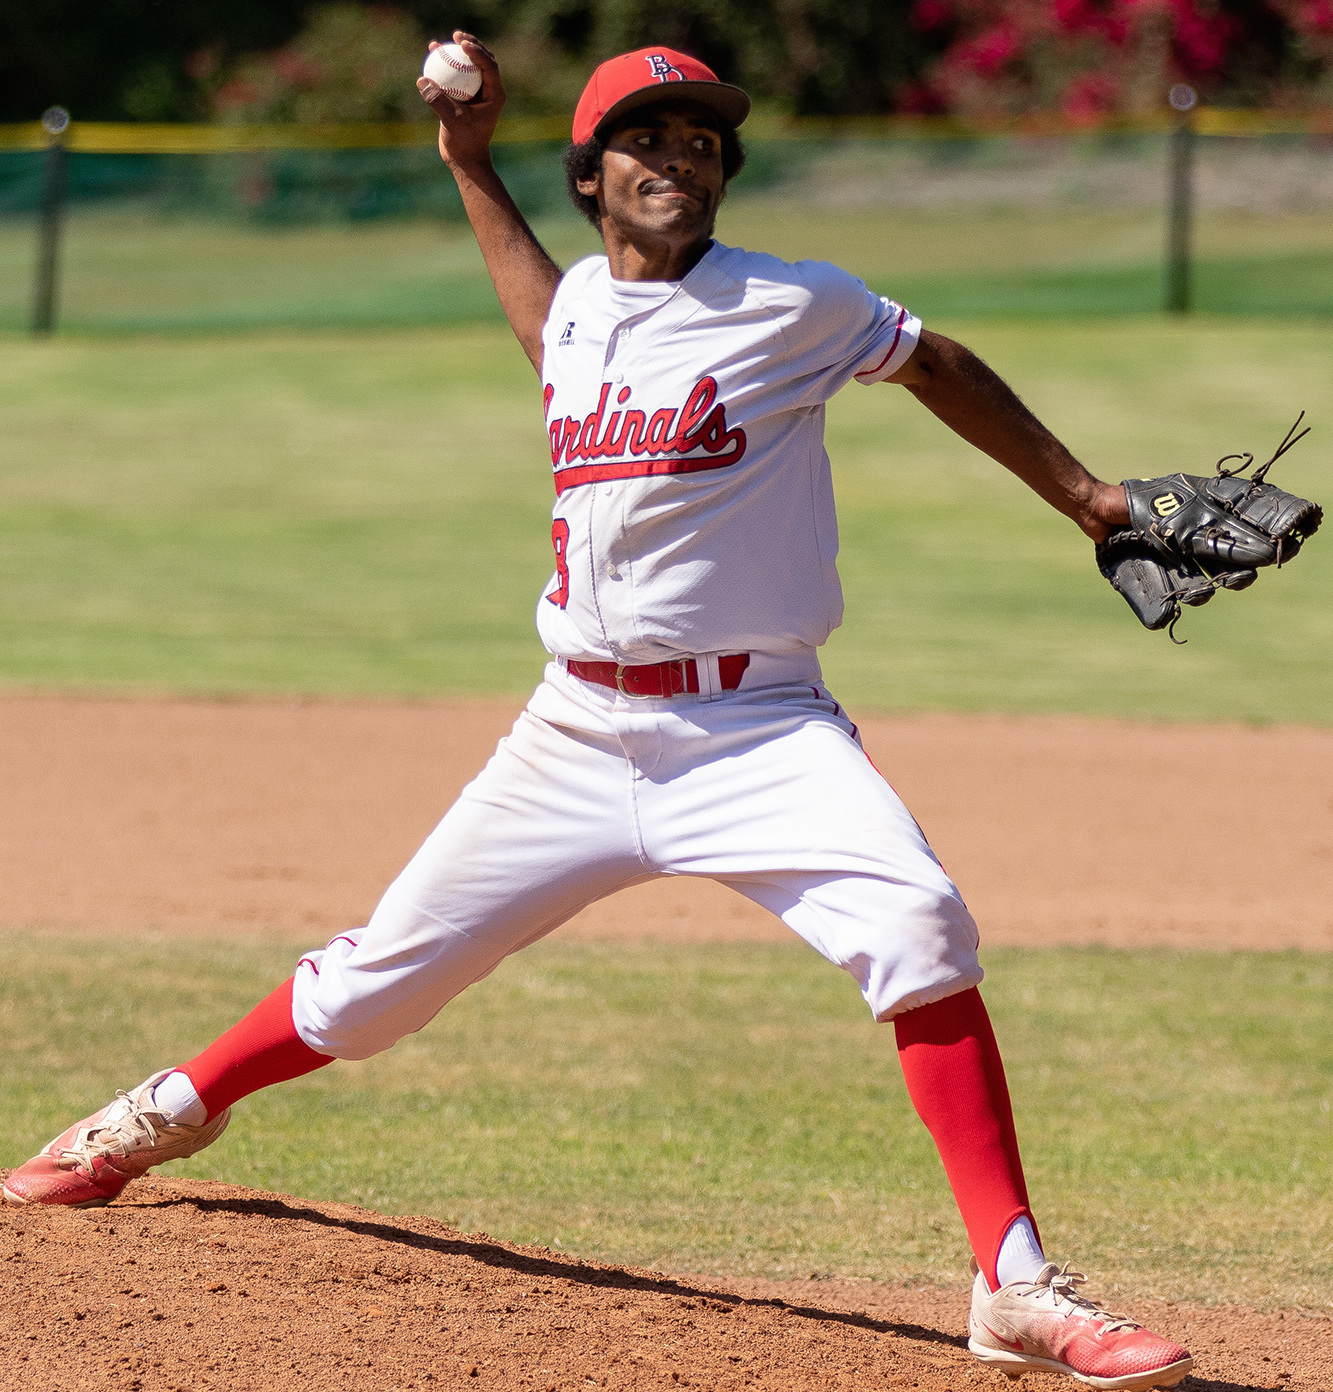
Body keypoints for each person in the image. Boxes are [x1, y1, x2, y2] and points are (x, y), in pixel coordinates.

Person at [4, 38, 1191, 1392]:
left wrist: (1091, 501)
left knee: (919, 926)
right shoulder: (577, 307)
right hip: (570, 734)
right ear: (590, 177)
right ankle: (160, 1112)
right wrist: (465, 160)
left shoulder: (792, 303)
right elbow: (541, 322)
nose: (677, 157)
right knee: (373, 990)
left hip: (758, 730)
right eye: (646, 139)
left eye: (700, 141)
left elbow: (936, 363)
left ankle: (1015, 1288)